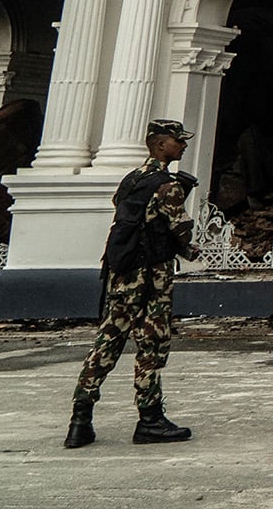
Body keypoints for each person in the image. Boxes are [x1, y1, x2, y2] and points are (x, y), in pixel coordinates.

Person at [66, 117, 199, 448]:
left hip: (121, 274)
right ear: (159, 144)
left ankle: (80, 419)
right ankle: (150, 418)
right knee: (152, 345)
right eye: (177, 140)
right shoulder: (168, 185)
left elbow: (122, 210)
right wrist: (190, 247)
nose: (183, 145)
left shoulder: (131, 180)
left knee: (108, 341)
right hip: (151, 277)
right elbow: (180, 229)